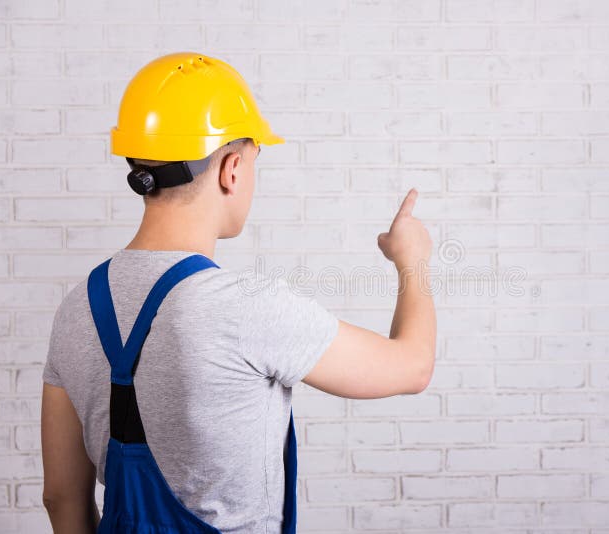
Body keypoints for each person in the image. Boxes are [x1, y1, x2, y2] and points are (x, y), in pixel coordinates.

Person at [40, 52, 436, 533]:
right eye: (253, 160)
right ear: (231, 168)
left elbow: (62, 499)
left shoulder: (76, 308)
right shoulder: (247, 309)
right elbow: (412, 366)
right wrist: (412, 261)